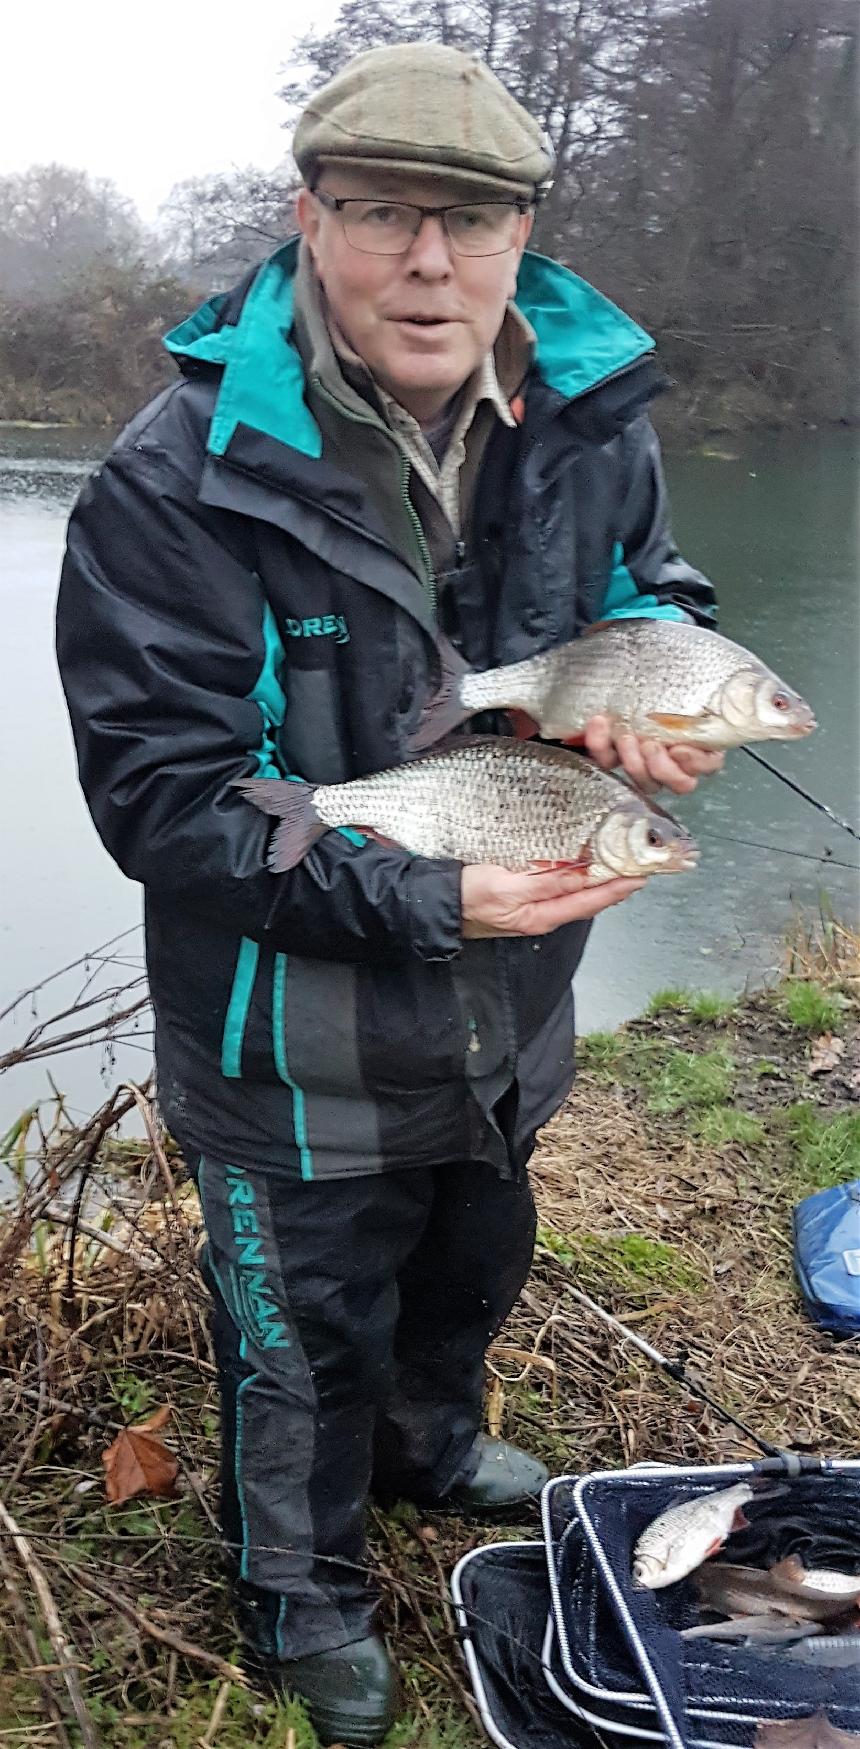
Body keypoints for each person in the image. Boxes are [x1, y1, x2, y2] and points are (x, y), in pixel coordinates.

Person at [56, 42, 721, 1746]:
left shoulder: (591, 420)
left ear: (521, 234)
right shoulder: (172, 479)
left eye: (471, 221)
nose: (432, 263)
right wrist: (429, 906)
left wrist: (658, 685)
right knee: (305, 1337)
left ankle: (429, 1448)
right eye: (384, 216)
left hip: (515, 1005)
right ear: (310, 219)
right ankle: (300, 1589)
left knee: (469, 1262)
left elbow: (653, 586)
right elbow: (165, 799)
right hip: (291, 1050)